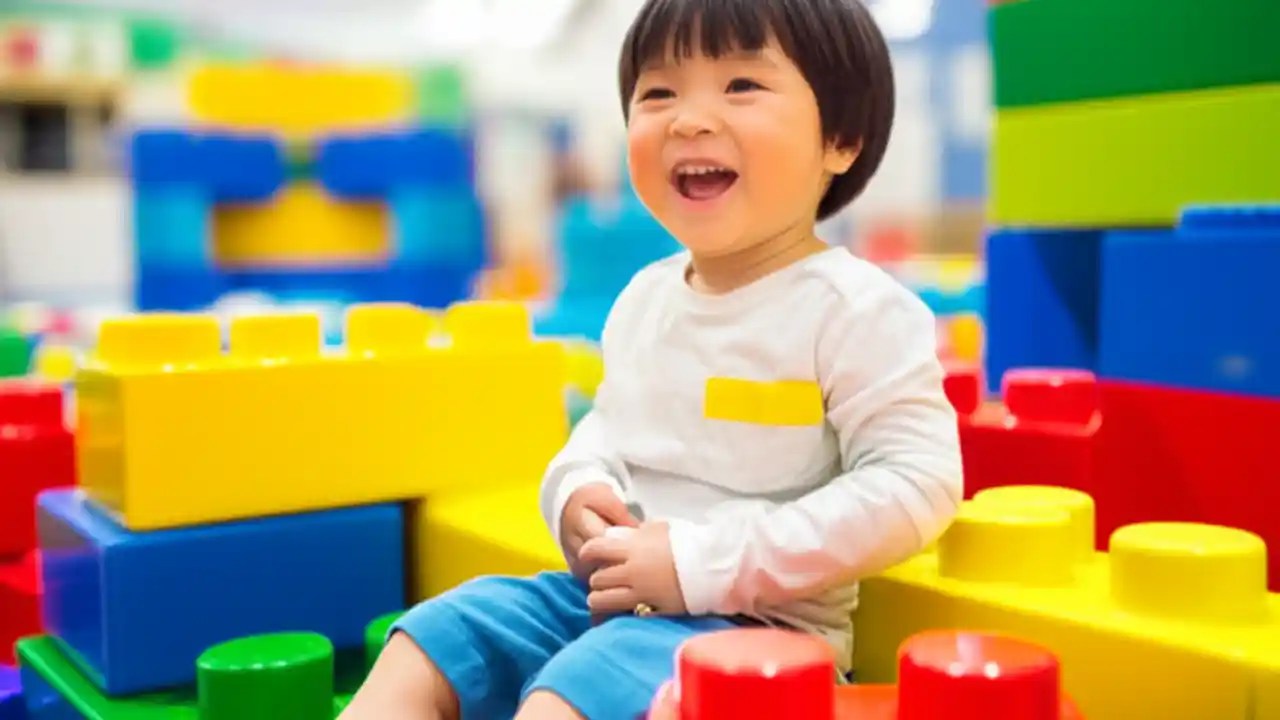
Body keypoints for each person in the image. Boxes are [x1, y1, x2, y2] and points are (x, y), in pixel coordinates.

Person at [340, 0, 963, 717]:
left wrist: (699, 565)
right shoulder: (646, 297)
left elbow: (918, 480)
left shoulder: (853, 309)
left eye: (741, 87)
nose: (688, 120)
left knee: (563, 699)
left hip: (754, 630)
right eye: (659, 93)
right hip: (614, 603)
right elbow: (610, 426)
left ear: (841, 138)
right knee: (432, 637)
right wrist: (577, 489)